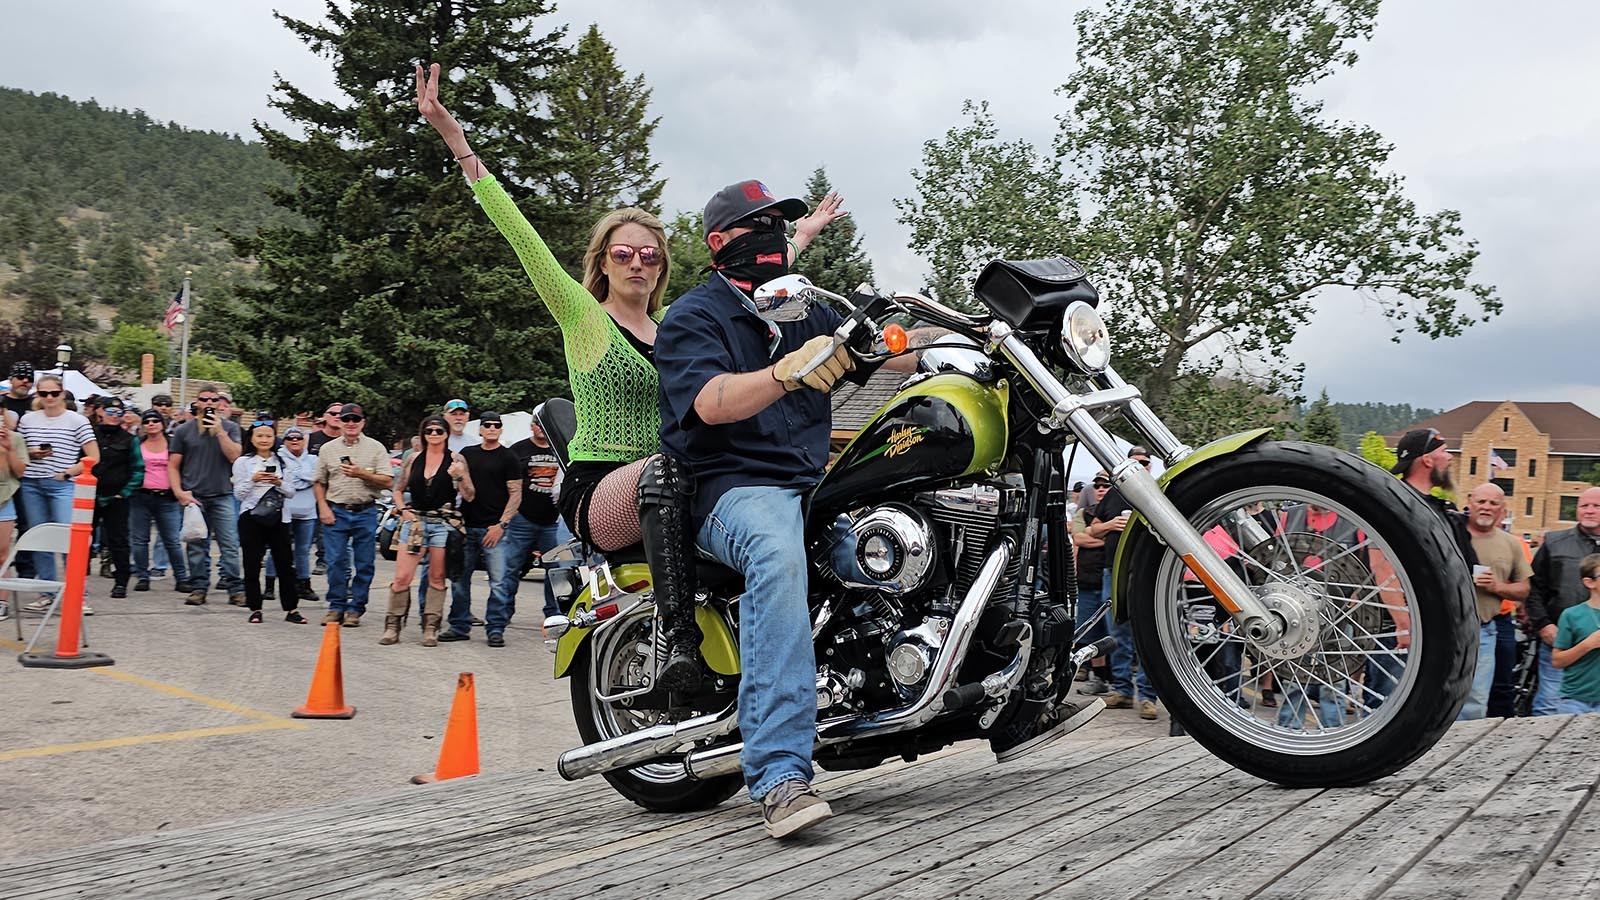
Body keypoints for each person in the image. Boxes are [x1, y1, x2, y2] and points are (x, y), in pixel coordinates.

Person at [417, 64, 845, 687]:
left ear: (663, 264)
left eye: (649, 254)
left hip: (684, 481)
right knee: (668, 468)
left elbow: (746, 285)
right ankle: (679, 644)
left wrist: (796, 235)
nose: (637, 263)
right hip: (603, 485)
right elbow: (521, 236)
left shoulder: (679, 323)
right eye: (623, 253)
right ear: (604, 261)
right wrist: (456, 140)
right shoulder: (583, 316)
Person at [655, 174, 937, 838]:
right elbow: (710, 402)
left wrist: (951, 338)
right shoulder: (694, 316)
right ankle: (780, 773)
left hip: (810, 483)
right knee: (776, 556)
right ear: (718, 243)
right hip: (731, 489)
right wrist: (786, 373)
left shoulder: (805, 307)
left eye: (780, 226)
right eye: (758, 227)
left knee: (909, 529)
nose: (773, 237)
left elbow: (886, 354)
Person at [1087, 446, 1162, 720]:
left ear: (1150, 466)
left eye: (1145, 462)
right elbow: (1093, 529)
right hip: (1113, 571)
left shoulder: (1158, 493)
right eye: (1135, 461)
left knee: (1147, 633)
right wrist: (1111, 525)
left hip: (1146, 573)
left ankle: (1147, 696)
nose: (1140, 465)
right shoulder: (1115, 493)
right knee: (1117, 633)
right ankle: (1122, 690)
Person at [383, 415, 471, 646]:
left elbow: (470, 495)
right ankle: (393, 626)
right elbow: (398, 489)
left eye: (439, 431)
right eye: (429, 430)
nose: (434, 434)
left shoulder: (456, 459)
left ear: (446, 434)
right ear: (423, 434)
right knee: (402, 577)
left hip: (442, 523)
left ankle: (430, 627)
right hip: (415, 522)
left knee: (437, 577)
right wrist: (403, 510)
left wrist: (459, 476)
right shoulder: (413, 458)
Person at [17, 374, 100, 611]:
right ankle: (47, 593)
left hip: (62, 484)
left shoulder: (76, 420)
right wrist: (32, 454)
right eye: (44, 393)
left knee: (70, 540)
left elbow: (93, 455)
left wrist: (67, 473)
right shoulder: (28, 419)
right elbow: (19, 451)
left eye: (54, 393)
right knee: (40, 538)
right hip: (32, 482)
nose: (49, 397)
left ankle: (78, 595)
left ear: (62, 393)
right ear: (38, 395)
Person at [438, 411, 521, 646]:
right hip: (466, 527)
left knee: (499, 582)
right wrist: (458, 476)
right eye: (487, 425)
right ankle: (459, 625)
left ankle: (495, 628)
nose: (492, 428)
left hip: (495, 529)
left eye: (496, 425)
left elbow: (516, 493)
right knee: (459, 579)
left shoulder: (509, 457)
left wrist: (501, 525)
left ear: (501, 429)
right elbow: (465, 491)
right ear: (480, 429)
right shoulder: (467, 454)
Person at [313, 403, 392, 626]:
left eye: (355, 420)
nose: (350, 423)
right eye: (346, 419)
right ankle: (336, 606)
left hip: (365, 511)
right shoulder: (328, 449)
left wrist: (361, 474)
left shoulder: (376, 448)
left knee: (365, 563)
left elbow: (387, 480)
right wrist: (323, 507)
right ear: (339, 422)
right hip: (336, 510)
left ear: (362, 423)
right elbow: (319, 481)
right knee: (335, 561)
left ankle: (356, 609)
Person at [1457, 483, 1531, 720]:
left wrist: (1497, 587)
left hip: (1484, 630)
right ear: (1469, 503)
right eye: (1481, 501)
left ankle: (1464, 742)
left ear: (1502, 509)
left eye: (1493, 503)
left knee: (1476, 699)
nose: (1486, 507)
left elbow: (1524, 589)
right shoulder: (1449, 534)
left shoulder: (1511, 543)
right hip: (1446, 628)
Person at [1526, 487, 1600, 715]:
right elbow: (1533, 588)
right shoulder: (1555, 542)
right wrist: (1543, 625)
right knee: (1551, 706)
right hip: (1561, 639)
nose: (1589, 511)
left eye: (1596, 506)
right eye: (1584, 505)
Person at [169, 385, 245, 606]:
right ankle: (199, 588)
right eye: (204, 399)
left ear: (220, 403)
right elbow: (173, 465)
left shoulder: (230, 427)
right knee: (196, 546)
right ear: (197, 403)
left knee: (229, 544)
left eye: (214, 399)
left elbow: (235, 457)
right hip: (194, 497)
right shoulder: (184, 430)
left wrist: (219, 431)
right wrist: (179, 492)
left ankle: (235, 589)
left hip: (222, 495)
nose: (209, 403)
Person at [232, 420, 305, 624]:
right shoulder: (242, 462)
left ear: (274, 438)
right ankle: (255, 608)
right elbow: (239, 494)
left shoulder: (283, 461)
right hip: (251, 516)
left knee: (285, 564)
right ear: (251, 438)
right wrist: (253, 479)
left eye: (268, 436)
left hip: (279, 517)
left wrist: (278, 482)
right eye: (259, 436)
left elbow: (291, 492)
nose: (264, 440)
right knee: (252, 563)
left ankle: (291, 608)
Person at [504, 415, 574, 622]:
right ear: (531, 426)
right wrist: (511, 512)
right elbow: (506, 482)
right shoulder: (518, 449)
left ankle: (555, 615)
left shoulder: (561, 449)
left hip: (552, 521)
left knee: (557, 571)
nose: (541, 428)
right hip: (522, 520)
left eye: (544, 424)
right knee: (511, 569)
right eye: (537, 423)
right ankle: (503, 614)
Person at [129, 410, 189, 593]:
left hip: (167, 498)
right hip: (141, 497)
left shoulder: (173, 443)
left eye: (155, 420)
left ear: (162, 424)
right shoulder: (137, 443)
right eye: (147, 421)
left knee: (172, 541)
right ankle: (142, 577)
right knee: (140, 540)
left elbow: (182, 467)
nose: (151, 424)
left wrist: (182, 490)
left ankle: (181, 578)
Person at [91, 399, 141, 599]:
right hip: (90, 496)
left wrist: (125, 492)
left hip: (116, 497)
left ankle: (121, 582)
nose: (114, 416)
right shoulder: (90, 435)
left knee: (118, 541)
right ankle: (78, 580)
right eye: (110, 411)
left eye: (119, 412)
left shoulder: (130, 440)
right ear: (101, 412)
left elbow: (138, 470)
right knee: (83, 540)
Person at [265, 426, 320, 604]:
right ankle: (269, 585)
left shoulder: (314, 459)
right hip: (283, 512)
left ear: (304, 441)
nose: (295, 441)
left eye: (298, 438)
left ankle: (304, 585)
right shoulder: (277, 458)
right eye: (290, 438)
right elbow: (282, 482)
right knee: (277, 549)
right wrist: (303, 477)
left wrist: (295, 475)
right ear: (285, 441)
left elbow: (317, 478)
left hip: (307, 512)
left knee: (303, 551)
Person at [1070, 472, 1113, 694]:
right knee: (1090, 633)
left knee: (1114, 633)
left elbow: (1086, 538)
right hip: (1087, 581)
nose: (1101, 489)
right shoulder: (1084, 513)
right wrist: (1106, 538)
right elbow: (1078, 538)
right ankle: (1099, 678)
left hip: (1110, 580)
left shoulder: (1117, 512)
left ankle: (1116, 681)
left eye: (1106, 485)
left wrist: (1093, 535)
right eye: (1097, 486)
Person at [1551, 553, 1600, 714]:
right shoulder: (1571, 615)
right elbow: (1557, 661)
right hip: (1575, 700)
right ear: (1589, 582)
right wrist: (1587, 645)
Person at [3, 363, 37, 581]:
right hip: (4, 472)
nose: (25, 381)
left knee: (27, 523)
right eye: (21, 377)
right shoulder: (2, 403)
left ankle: (26, 570)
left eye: (29, 378)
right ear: (11, 379)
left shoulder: (37, 404)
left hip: (28, 472)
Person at [306, 402, 344, 577]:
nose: (337, 416)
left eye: (341, 413)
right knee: (307, 531)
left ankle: (323, 561)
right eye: (333, 413)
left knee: (327, 530)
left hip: (335, 493)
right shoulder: (311, 439)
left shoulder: (347, 440)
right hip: (310, 491)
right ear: (325, 417)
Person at [0, 407, 29, 621]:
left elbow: (20, 472)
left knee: (1, 555)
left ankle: (2, 601)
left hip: (4, 498)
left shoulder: (15, 438)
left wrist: (9, 448)